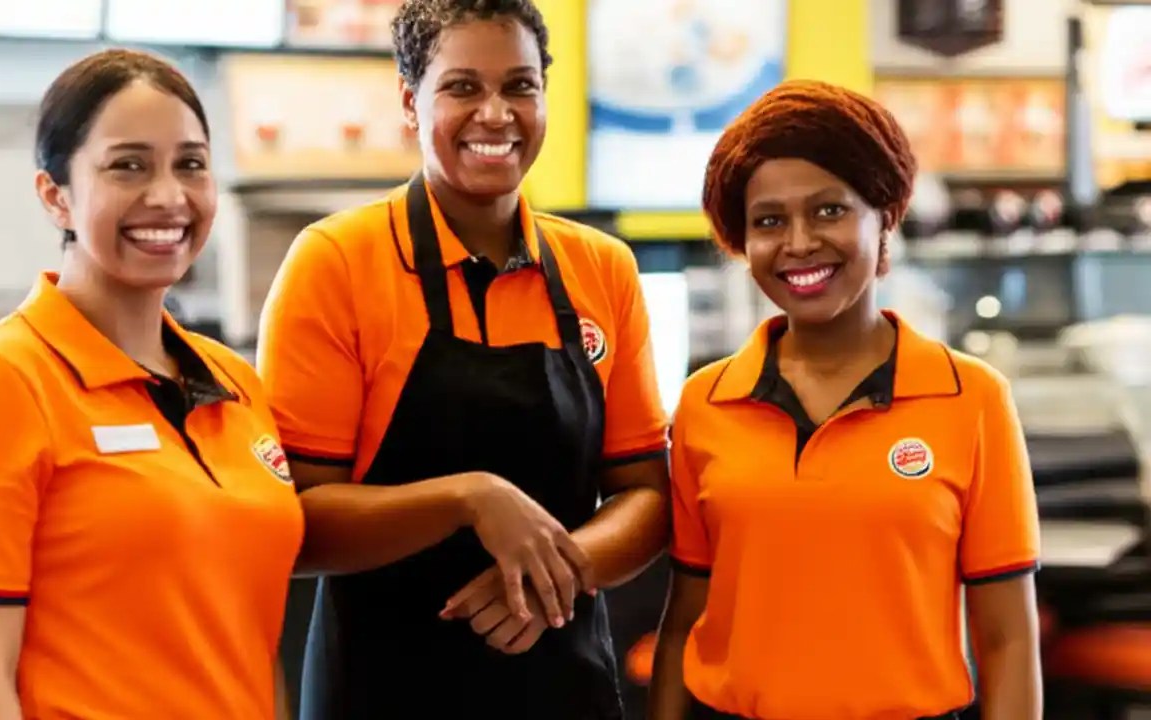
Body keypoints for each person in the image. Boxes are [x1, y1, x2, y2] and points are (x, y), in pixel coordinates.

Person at [256, 1, 670, 717]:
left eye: (519, 86)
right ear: (411, 101)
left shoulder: (601, 269)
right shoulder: (336, 263)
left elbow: (648, 496)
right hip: (381, 688)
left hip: (561, 683)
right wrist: (469, 499)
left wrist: (551, 578)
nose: (496, 113)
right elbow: (295, 523)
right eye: (462, 87)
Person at [0, 49, 303, 719]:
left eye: (191, 164)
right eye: (128, 165)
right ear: (54, 194)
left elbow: (251, 646)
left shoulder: (235, 381)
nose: (168, 196)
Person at [648, 80, 1043, 720]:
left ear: (883, 216)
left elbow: (1006, 639)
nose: (799, 242)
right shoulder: (705, 402)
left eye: (829, 210)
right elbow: (684, 617)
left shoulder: (972, 398)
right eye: (768, 220)